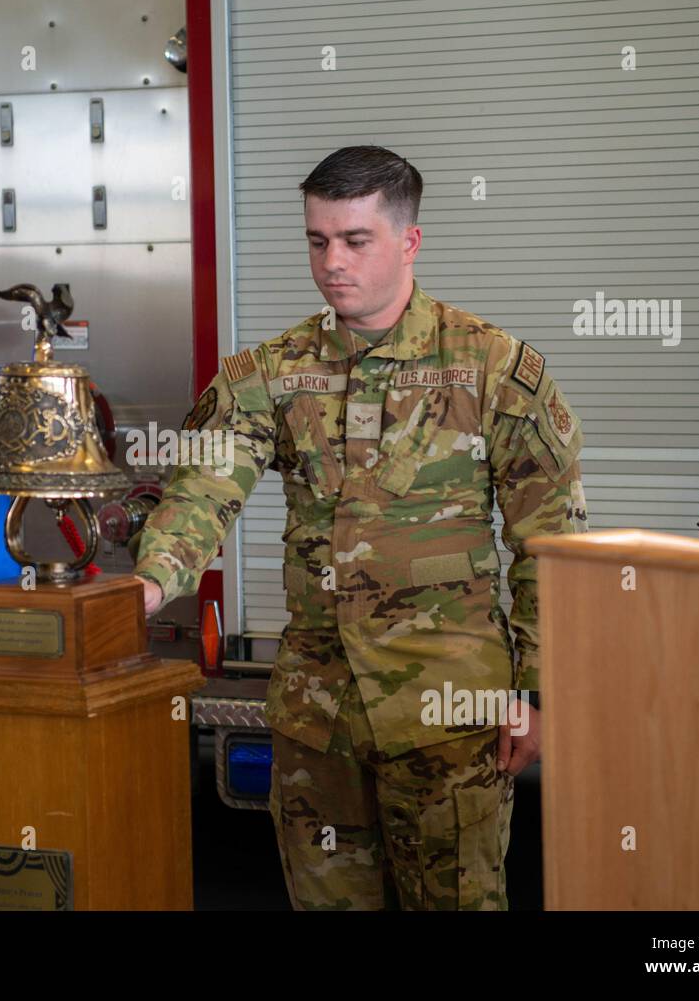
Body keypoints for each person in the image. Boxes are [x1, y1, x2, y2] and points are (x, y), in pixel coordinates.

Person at [133, 145, 588, 910]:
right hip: (320, 722)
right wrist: (154, 579)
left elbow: (552, 543)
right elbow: (204, 488)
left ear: (409, 240)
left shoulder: (491, 369)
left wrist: (541, 691)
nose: (331, 262)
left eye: (354, 240)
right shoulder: (271, 374)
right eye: (317, 240)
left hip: (450, 719)